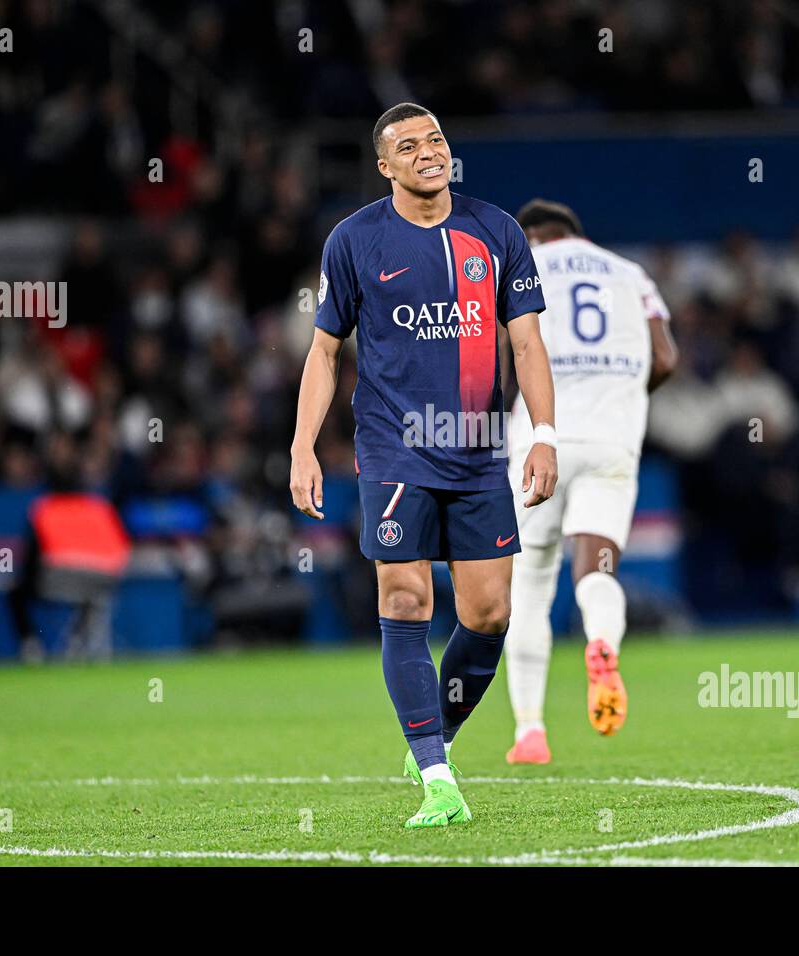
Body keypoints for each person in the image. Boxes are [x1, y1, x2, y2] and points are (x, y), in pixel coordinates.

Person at [288, 103, 558, 828]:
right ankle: (437, 777)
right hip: (393, 449)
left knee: (490, 613)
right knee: (406, 600)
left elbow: (527, 345)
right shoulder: (353, 241)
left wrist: (545, 435)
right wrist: (302, 445)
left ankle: (433, 730)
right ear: (386, 167)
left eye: (435, 138)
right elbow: (324, 350)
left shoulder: (496, 231)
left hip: (477, 451)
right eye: (408, 146)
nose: (428, 152)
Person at [502, 199, 677, 764]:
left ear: (531, 236)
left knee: (528, 583)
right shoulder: (630, 274)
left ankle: (530, 731)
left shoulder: (522, 267)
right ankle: (602, 642)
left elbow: (507, 354)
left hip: (541, 439)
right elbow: (667, 357)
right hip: (611, 440)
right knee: (597, 567)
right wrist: (621, 401)